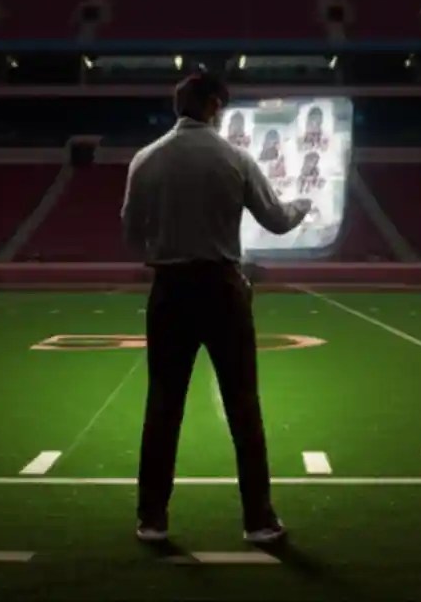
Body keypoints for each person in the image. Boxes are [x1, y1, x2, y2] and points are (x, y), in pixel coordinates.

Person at [120, 72, 311, 546]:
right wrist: (303, 204)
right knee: (243, 406)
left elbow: (130, 233)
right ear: (211, 105)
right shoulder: (235, 157)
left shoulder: (145, 159)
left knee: (163, 405)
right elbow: (278, 220)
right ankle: (258, 520)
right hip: (222, 290)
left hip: (168, 291)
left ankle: (152, 518)